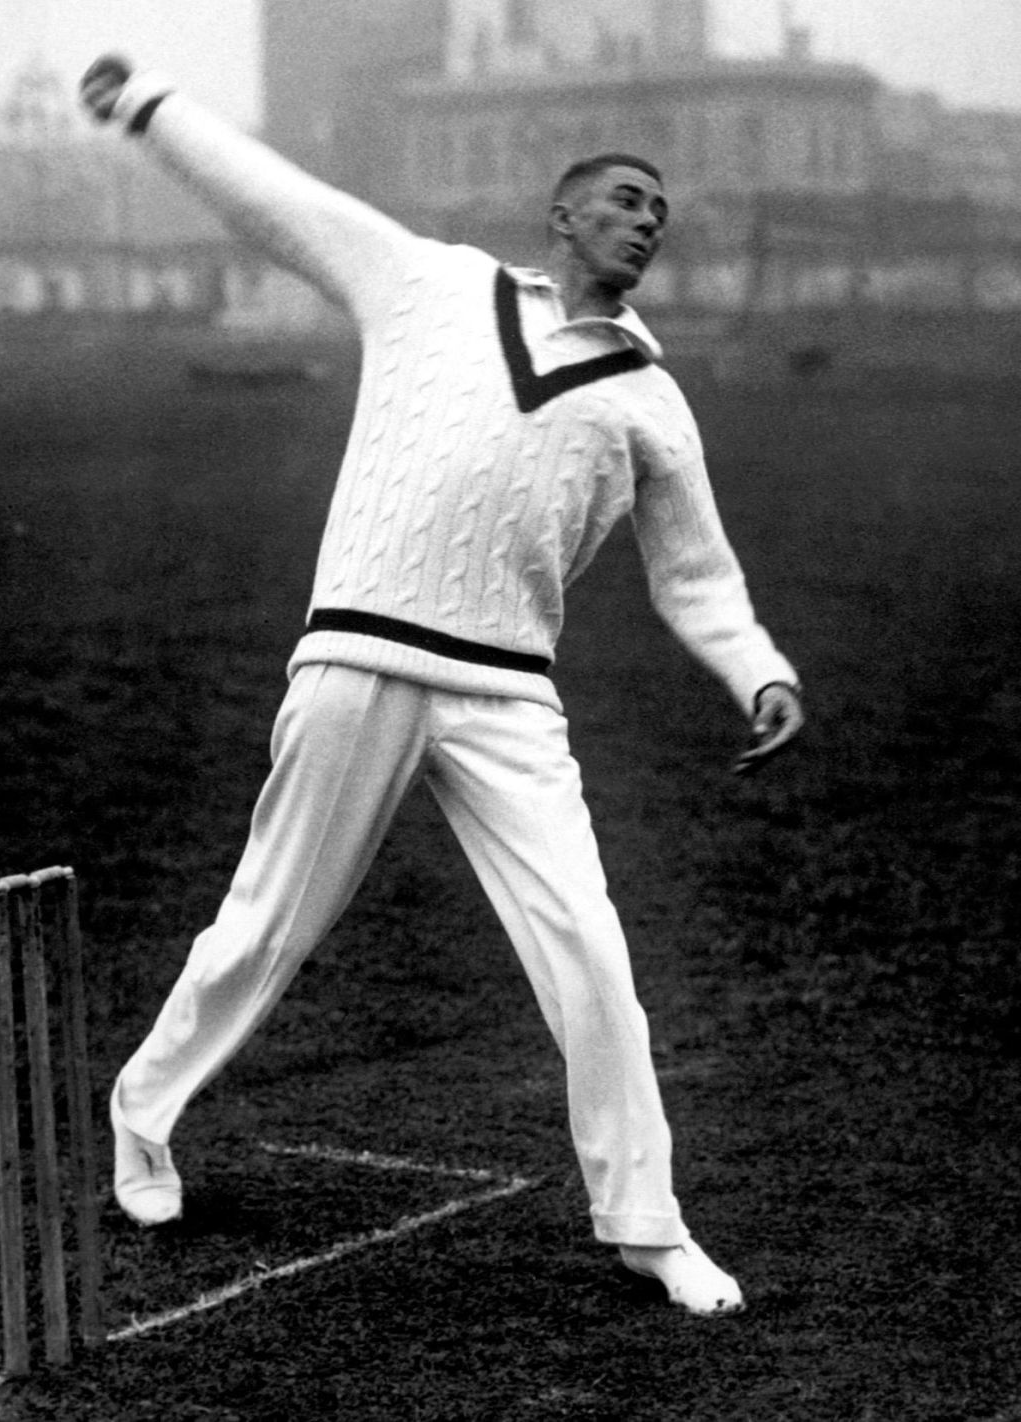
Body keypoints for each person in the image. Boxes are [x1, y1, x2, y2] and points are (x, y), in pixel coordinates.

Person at [79, 55, 804, 1318]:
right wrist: (151, 110)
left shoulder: (653, 400)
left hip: (509, 696)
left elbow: (697, 575)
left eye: (660, 215)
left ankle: (646, 1224)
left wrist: (758, 672)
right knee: (266, 928)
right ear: (563, 216)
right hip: (357, 655)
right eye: (626, 200)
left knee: (591, 951)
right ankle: (142, 1117)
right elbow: (277, 199)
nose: (647, 221)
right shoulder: (427, 283)